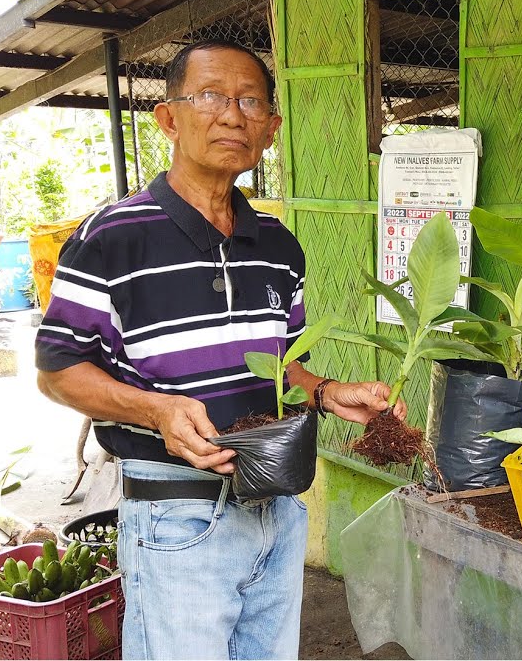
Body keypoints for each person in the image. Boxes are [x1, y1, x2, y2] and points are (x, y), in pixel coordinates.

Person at [34, 38, 407, 660]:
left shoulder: (278, 246)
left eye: (250, 102)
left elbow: (282, 363)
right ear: (168, 117)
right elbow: (56, 371)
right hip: (174, 515)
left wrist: (330, 393)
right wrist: (157, 411)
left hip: (278, 508)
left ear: (270, 128)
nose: (232, 114)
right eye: (210, 95)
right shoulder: (113, 237)